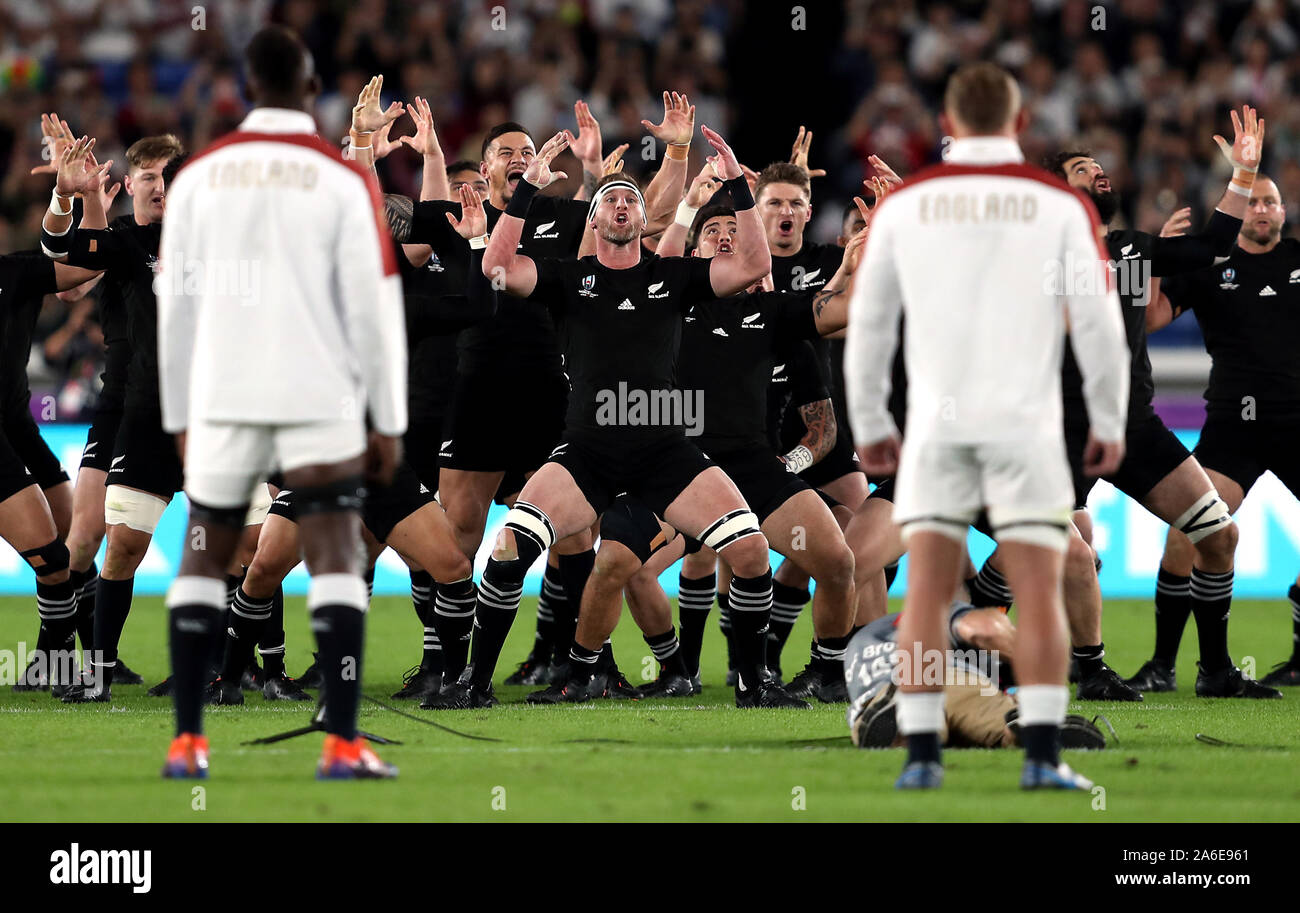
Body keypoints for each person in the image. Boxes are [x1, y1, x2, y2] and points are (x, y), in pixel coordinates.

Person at [426, 125, 791, 710]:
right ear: (592, 220)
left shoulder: (671, 275)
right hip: (587, 449)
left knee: (749, 551)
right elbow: (496, 268)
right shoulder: (570, 279)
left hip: (666, 449)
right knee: (509, 549)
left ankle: (754, 687)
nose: (621, 204)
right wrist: (526, 194)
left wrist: (739, 191)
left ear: (642, 219)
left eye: (631, 200)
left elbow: (751, 265)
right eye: (609, 200)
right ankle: (473, 684)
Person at [845, 62, 1129, 790]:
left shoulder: (907, 204)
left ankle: (920, 758)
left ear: (946, 123)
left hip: (936, 428)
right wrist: (1107, 415)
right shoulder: (1060, 205)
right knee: (1036, 591)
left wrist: (874, 419)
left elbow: (871, 324)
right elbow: (1097, 322)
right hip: (1025, 424)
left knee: (929, 594)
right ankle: (1039, 755)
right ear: (1020, 124)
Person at [154, 26, 407, 779]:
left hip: (225, 393)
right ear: (308, 87)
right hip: (317, 391)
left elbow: (176, 309)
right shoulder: (340, 178)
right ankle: (341, 743)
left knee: (203, 551)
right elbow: (374, 305)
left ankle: (188, 742)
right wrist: (386, 418)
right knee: (333, 552)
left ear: (246, 84)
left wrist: (178, 418)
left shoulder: (198, 175)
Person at [40, 131, 187, 702]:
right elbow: (71, 283)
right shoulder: (122, 237)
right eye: (147, 177)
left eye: (166, 176)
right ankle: (56, 658)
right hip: (125, 402)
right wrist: (69, 198)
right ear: (130, 184)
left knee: (241, 537)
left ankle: (235, 666)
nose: (157, 187)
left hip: (196, 407)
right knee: (88, 539)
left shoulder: (204, 239)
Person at [1139, 174, 1298, 691]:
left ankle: (1298, 656)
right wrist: (1159, 262)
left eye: (1270, 202)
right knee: (1190, 531)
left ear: (1281, 212)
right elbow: (1153, 318)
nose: (1261, 209)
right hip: (1235, 428)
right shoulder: (1208, 267)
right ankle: (1163, 665)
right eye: (1252, 201)